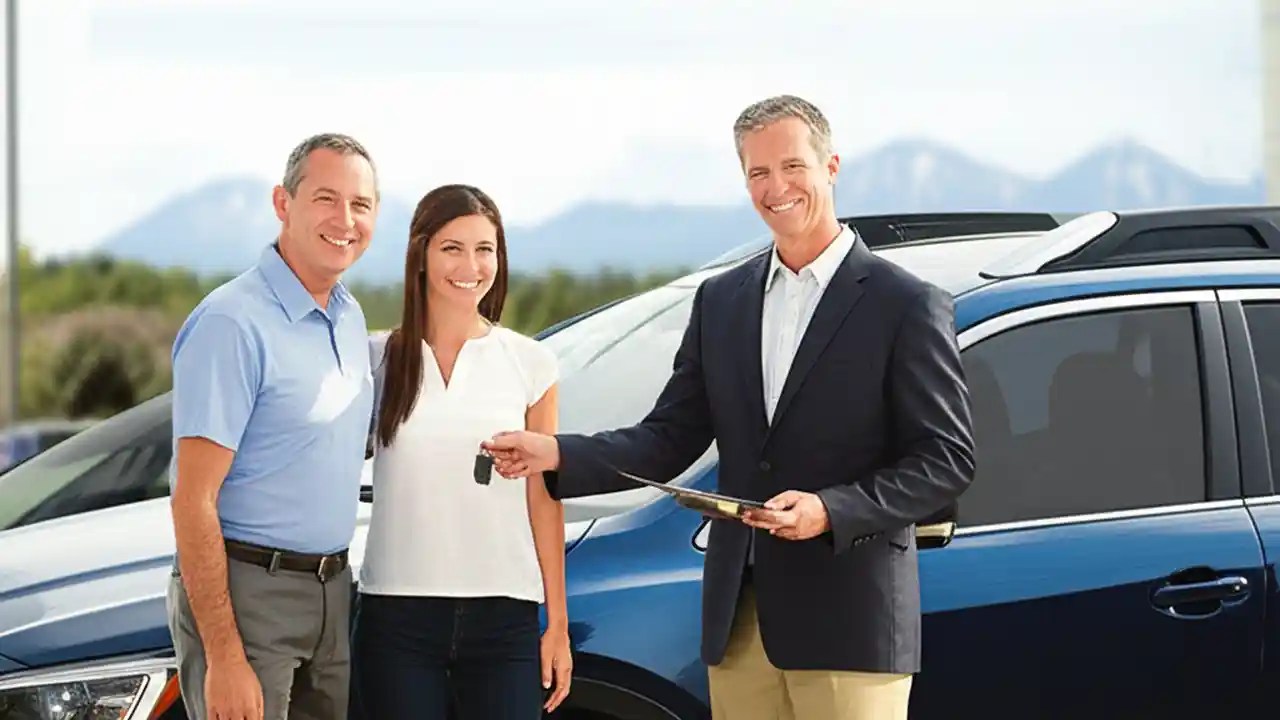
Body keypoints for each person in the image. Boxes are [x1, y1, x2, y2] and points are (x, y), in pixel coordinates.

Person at [483, 94, 976, 719]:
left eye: (792, 166)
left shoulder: (904, 304)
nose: (776, 187)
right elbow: (668, 437)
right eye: (758, 173)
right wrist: (555, 453)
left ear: (831, 167)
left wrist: (831, 509)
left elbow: (946, 460)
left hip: (852, 624)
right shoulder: (721, 301)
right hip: (738, 622)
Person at [167, 133, 379, 720]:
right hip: (249, 595)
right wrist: (226, 657)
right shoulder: (231, 323)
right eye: (326, 199)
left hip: (334, 595)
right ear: (283, 203)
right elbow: (192, 499)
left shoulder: (348, 314)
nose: (344, 220)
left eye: (360, 205)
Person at [350, 183, 572, 720]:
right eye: (452, 248)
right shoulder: (376, 359)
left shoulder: (531, 364)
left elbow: (544, 500)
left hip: (505, 618)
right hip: (396, 615)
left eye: (485, 249)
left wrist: (558, 625)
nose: (470, 265)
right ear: (421, 255)